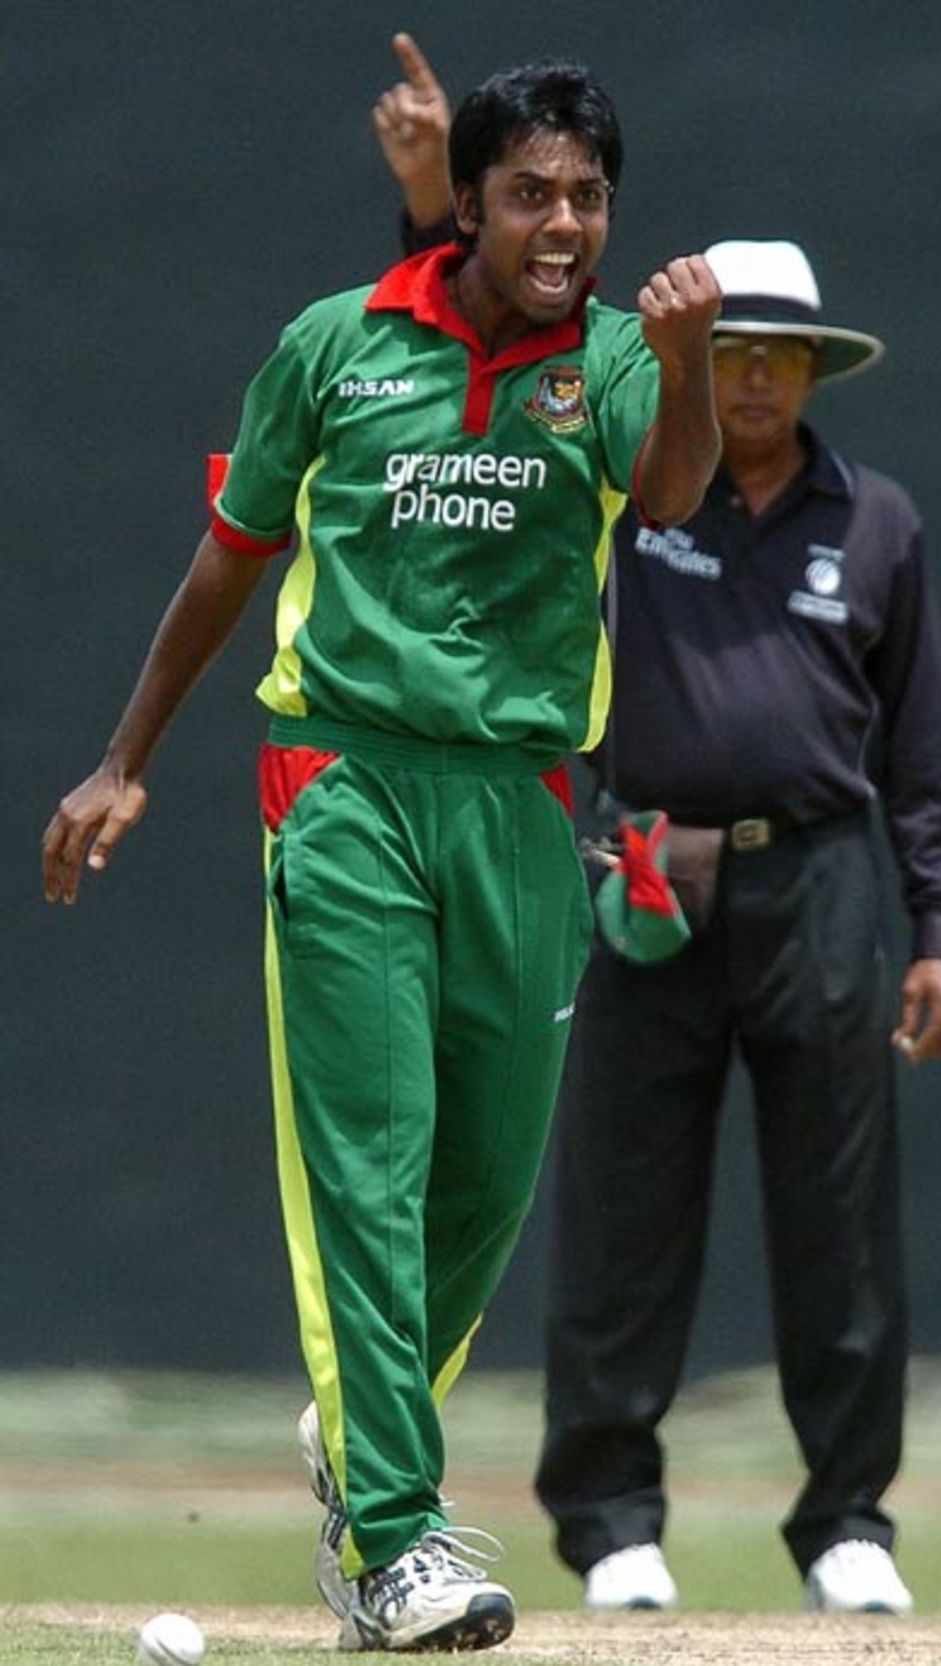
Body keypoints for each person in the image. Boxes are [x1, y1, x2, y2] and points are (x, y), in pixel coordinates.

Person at [41, 44, 721, 1655]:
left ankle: (361, 1441)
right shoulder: (335, 348)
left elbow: (676, 496)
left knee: (482, 1182)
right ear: (467, 203)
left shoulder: (620, 362)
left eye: (588, 196)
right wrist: (123, 758)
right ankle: (398, 1539)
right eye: (532, 194)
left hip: (523, 804)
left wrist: (689, 362)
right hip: (342, 779)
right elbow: (230, 558)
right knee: (370, 1155)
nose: (564, 223)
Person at [378, 44, 941, 1617]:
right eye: (737, 353)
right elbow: (470, 375)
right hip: (641, 867)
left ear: (815, 370)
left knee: (840, 1214)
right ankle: (609, 1518)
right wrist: (431, 200)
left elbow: (921, 744)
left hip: (823, 883)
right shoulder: (630, 476)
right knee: (624, 1205)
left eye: (785, 357)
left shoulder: (881, 521)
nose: (758, 380)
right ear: (702, 357)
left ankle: (848, 1518)